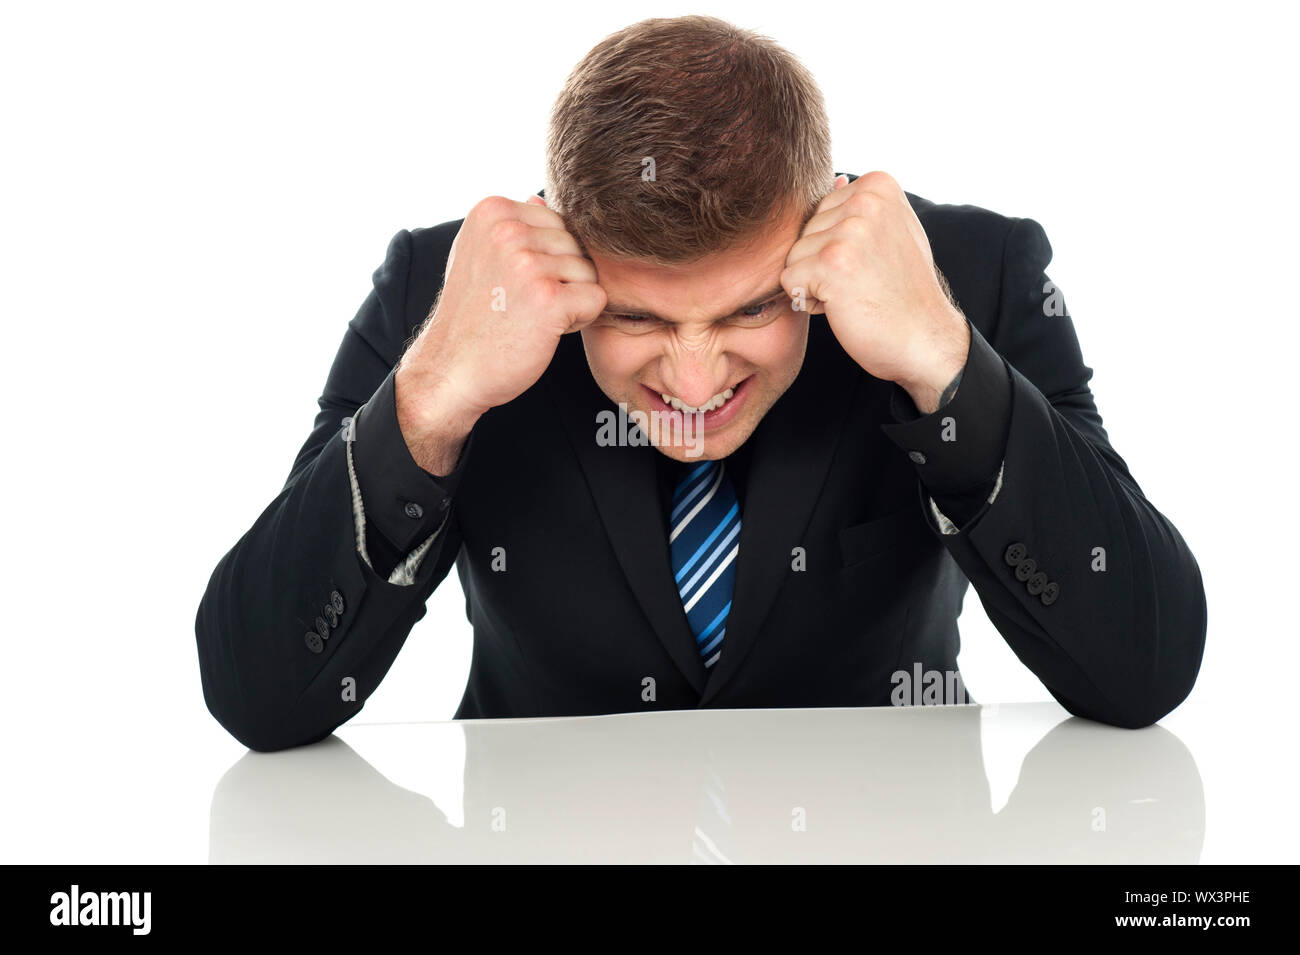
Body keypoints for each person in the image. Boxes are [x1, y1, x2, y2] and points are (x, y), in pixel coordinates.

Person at [195, 15, 1206, 752]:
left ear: (817, 234)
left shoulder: (971, 277)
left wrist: (941, 356)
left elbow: (1143, 670)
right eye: (633, 319)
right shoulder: (446, 291)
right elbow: (258, 694)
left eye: (748, 312)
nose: (690, 378)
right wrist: (433, 399)